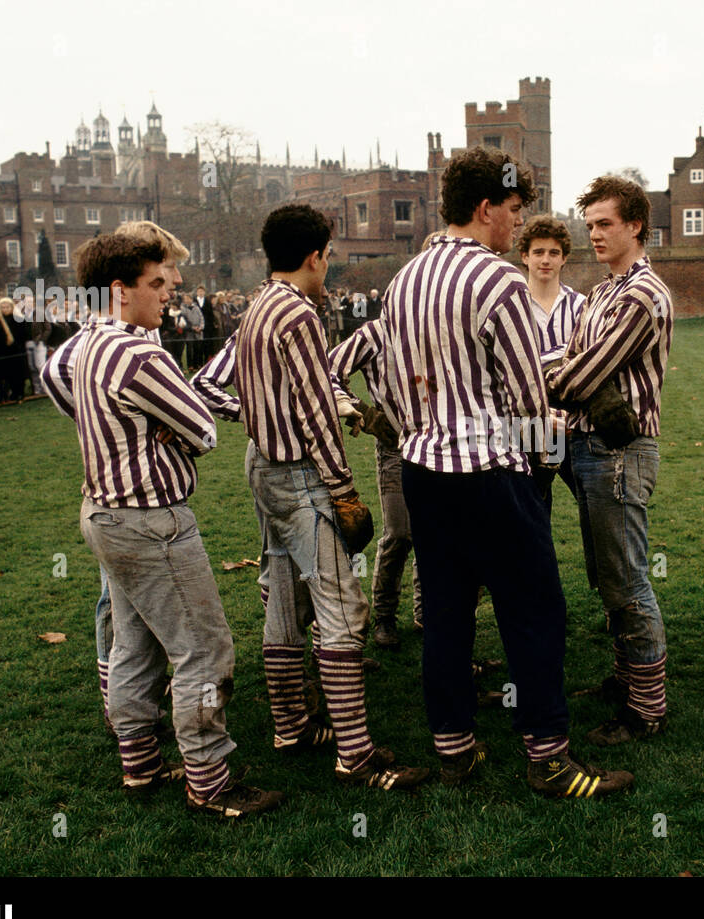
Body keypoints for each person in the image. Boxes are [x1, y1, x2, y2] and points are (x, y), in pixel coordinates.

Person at [383, 146, 632, 797]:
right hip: (490, 472)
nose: (520, 226)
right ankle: (549, 756)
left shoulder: (404, 279)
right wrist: (544, 454)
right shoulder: (500, 282)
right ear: (486, 207)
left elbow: (388, 383)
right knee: (535, 610)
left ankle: (455, 748)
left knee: (445, 613)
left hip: (423, 468)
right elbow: (528, 396)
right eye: (515, 210)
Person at [43, 230, 282, 818]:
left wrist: (141, 429)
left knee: (134, 643)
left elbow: (60, 381)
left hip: (103, 512)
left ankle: (140, 762)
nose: (168, 291)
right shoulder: (139, 352)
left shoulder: (90, 341)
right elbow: (204, 430)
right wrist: (163, 429)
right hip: (152, 521)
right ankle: (210, 781)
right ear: (119, 291)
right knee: (204, 649)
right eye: (156, 282)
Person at [234, 202, 428, 790]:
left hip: (262, 466)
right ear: (315, 255)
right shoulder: (297, 314)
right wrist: (343, 491)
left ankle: (292, 725)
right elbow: (316, 412)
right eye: (330, 255)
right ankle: (357, 756)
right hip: (298, 474)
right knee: (343, 614)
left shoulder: (256, 306)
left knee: (283, 603)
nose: (330, 266)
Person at [545, 175, 673, 747]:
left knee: (627, 582)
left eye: (605, 224)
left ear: (635, 225)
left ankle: (646, 708)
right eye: (590, 224)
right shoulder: (600, 292)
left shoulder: (643, 296)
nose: (593, 233)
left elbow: (581, 373)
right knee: (605, 575)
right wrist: (548, 367)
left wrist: (531, 378)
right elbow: (567, 356)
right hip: (588, 448)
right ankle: (626, 679)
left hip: (620, 452)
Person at [327, 298, 422, 652]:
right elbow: (328, 370)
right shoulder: (375, 332)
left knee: (433, 532)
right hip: (395, 446)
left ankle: (425, 612)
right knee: (399, 533)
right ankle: (383, 616)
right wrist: (362, 412)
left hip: (437, 445)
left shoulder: (438, 327)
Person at [518, 214, 584, 512]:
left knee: (592, 508)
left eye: (554, 253)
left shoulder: (582, 306)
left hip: (573, 426)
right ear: (525, 256)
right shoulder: (511, 305)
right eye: (538, 252)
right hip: (527, 427)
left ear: (564, 258)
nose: (546, 260)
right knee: (533, 514)